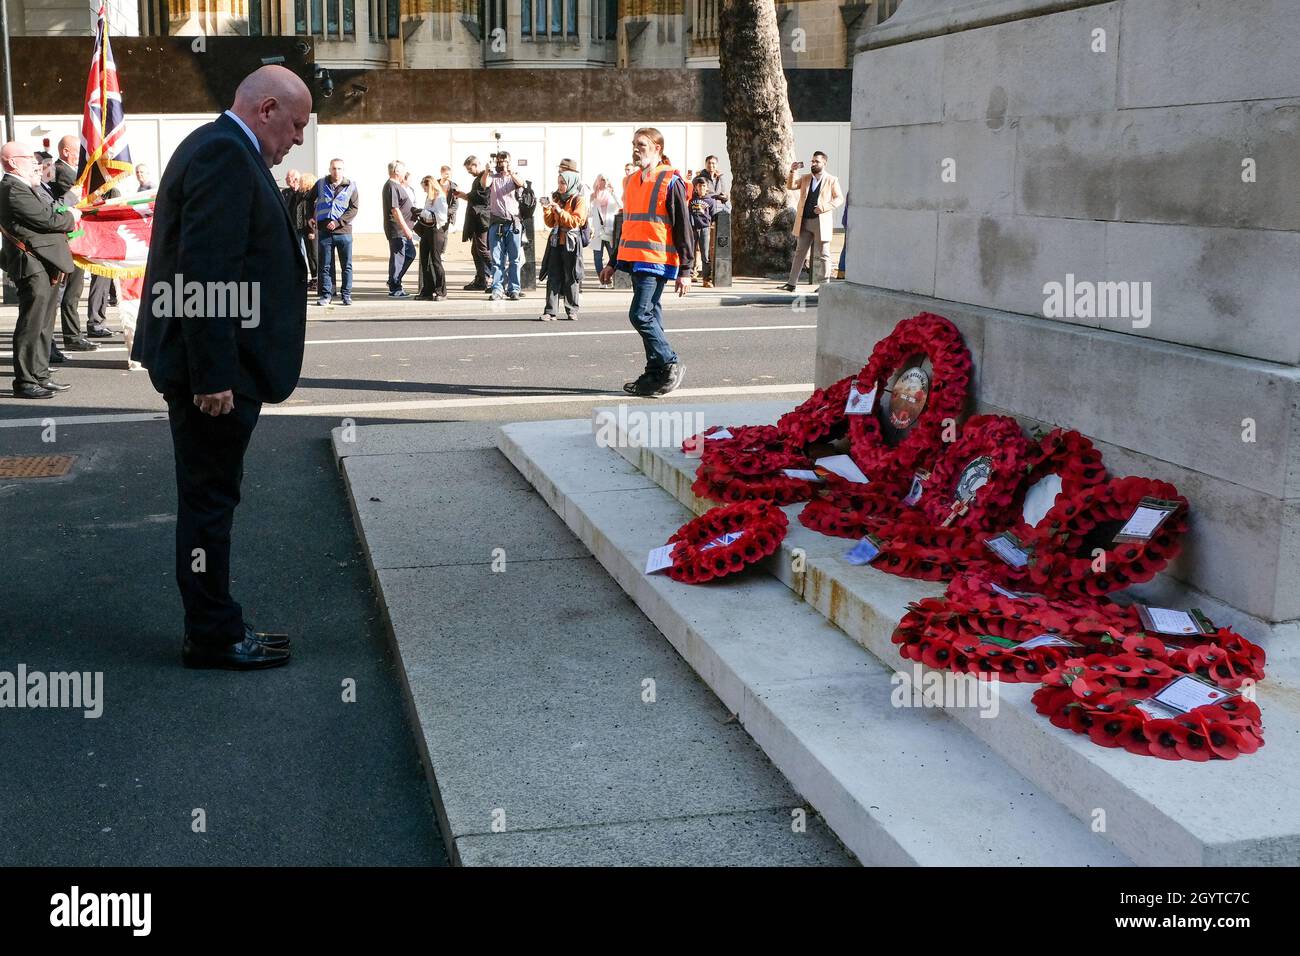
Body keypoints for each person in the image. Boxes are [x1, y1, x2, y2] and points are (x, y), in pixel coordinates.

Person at [130, 65, 310, 670]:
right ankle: (212, 634)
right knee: (209, 505)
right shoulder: (225, 156)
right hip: (215, 377)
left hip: (220, 368)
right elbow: (205, 274)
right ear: (266, 110)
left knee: (211, 501)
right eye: (296, 124)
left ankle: (214, 624)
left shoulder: (221, 147)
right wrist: (213, 376)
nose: (299, 139)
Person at [599, 128, 693, 397]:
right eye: (634, 144)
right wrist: (613, 262)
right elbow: (628, 225)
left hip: (657, 259)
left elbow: (683, 227)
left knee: (639, 314)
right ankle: (655, 373)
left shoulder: (669, 181)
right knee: (652, 315)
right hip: (637, 260)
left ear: (657, 149)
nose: (636, 148)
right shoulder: (631, 181)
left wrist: (686, 270)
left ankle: (669, 362)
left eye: (642, 144)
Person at [1, 141, 80, 399]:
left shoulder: (27, 186)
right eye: (29, 159)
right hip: (31, 263)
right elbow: (47, 219)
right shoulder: (12, 189)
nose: (36, 164)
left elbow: (47, 212)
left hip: (45, 261)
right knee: (31, 322)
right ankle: (25, 380)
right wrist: (71, 216)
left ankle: (40, 374)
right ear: (12, 162)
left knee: (45, 323)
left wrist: (63, 214)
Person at [51, 136, 102, 350]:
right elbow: (80, 199)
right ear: (65, 152)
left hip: (74, 237)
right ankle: (71, 337)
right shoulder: (63, 172)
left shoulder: (69, 172)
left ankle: (72, 335)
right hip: (70, 239)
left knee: (73, 290)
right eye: (76, 152)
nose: (80, 158)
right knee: (71, 291)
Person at [783, 150, 844, 292]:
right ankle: (791, 284)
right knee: (799, 252)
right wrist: (792, 171)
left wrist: (824, 207)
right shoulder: (805, 178)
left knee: (824, 254)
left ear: (824, 163)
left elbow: (839, 198)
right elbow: (790, 186)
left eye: (817, 161)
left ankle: (824, 285)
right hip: (804, 221)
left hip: (821, 222)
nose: (814, 163)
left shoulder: (831, 180)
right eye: (812, 161)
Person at [538, 165, 589, 321]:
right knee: (553, 275)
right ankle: (550, 311)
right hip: (555, 242)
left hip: (571, 243)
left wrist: (560, 211)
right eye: (559, 182)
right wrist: (547, 209)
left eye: (563, 183)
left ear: (571, 183)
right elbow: (550, 223)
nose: (560, 186)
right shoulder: (557, 198)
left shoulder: (578, 200)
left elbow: (576, 221)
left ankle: (572, 309)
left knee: (571, 275)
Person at [311, 157, 357, 306]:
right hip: (325, 232)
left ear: (343, 170)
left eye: (339, 168)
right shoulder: (321, 184)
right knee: (325, 265)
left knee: (347, 266)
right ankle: (326, 295)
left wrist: (338, 222)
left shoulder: (351, 186)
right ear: (329, 169)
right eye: (334, 168)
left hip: (344, 232)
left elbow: (353, 209)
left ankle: (346, 295)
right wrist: (309, 217)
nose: (336, 171)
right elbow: (307, 200)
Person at [482, 151, 525, 301]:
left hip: (513, 223)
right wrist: (487, 170)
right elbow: (484, 184)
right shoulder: (492, 177)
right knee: (497, 260)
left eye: (504, 161)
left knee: (514, 259)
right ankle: (497, 289)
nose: (501, 163)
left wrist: (511, 172)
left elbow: (521, 183)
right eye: (499, 161)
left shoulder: (514, 176)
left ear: (509, 161)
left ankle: (514, 289)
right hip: (497, 223)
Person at [84, 186, 121, 336]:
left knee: (103, 286)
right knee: (100, 285)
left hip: (103, 243)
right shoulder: (99, 191)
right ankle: (95, 322)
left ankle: (98, 321)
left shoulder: (110, 191)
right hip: (99, 244)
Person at [454, 155, 490, 291]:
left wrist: (466, 196)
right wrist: (464, 195)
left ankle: (500, 277)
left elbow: (483, 196)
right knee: (476, 251)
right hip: (478, 220)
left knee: (482, 249)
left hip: (482, 220)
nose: (469, 172)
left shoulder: (485, 177)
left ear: (476, 165)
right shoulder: (479, 178)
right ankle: (481, 280)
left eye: (470, 169)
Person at [382, 160, 417, 298]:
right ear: (397, 172)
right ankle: (395, 287)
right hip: (397, 229)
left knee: (410, 254)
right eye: (402, 171)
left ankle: (394, 280)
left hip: (403, 229)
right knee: (398, 257)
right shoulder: (391, 186)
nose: (404, 173)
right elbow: (395, 210)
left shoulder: (397, 185)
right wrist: (406, 229)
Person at [415, 174, 448, 301]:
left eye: (424, 187)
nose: (423, 190)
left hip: (436, 230)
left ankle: (441, 291)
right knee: (424, 260)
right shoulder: (429, 198)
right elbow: (426, 214)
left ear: (430, 185)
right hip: (426, 230)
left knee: (435, 261)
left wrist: (422, 212)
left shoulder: (440, 198)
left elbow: (441, 217)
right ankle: (427, 290)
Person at [587, 174, 619, 287]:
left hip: (610, 230)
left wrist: (614, 191)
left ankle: (610, 278)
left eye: (606, 179)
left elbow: (620, 206)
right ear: (598, 181)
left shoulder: (611, 195)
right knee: (597, 257)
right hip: (598, 231)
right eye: (602, 179)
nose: (604, 182)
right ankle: (602, 280)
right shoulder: (593, 196)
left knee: (612, 256)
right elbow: (589, 213)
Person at [689, 177, 719, 289]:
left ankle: (706, 279)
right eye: (699, 186)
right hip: (692, 228)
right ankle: (690, 275)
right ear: (696, 187)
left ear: (707, 188)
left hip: (705, 228)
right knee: (690, 253)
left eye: (703, 186)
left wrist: (706, 218)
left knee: (705, 254)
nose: (701, 187)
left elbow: (712, 216)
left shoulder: (710, 201)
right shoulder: (691, 200)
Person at [297, 172, 318, 291]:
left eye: (301, 181)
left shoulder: (311, 197)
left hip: (311, 230)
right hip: (303, 229)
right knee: (310, 255)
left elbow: (313, 214)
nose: (299, 183)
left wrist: (312, 230)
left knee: (314, 255)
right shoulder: (303, 195)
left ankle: (318, 279)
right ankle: (314, 278)